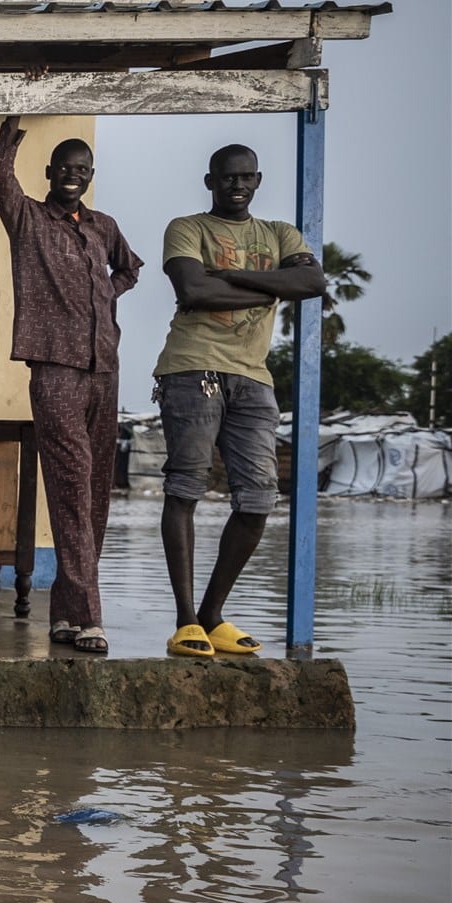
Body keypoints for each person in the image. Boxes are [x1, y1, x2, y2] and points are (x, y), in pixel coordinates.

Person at [153, 145, 324, 658]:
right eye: (228, 178)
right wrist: (273, 288)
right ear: (211, 181)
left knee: (258, 499)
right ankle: (185, 621)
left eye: (247, 177)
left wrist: (227, 277)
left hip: (253, 378)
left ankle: (212, 615)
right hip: (193, 368)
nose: (237, 185)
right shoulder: (187, 228)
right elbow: (192, 289)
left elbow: (311, 281)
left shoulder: (280, 233)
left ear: (258, 180)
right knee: (186, 487)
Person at [0, 117, 143, 656]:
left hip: (104, 369)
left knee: (95, 493)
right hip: (55, 370)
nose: (73, 176)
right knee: (73, 487)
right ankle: (91, 619)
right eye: (64, 168)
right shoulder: (29, 218)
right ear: (50, 172)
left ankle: (65, 612)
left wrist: (102, 294)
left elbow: (130, 269)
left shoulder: (103, 227)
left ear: (90, 175)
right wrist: (15, 116)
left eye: (82, 169)